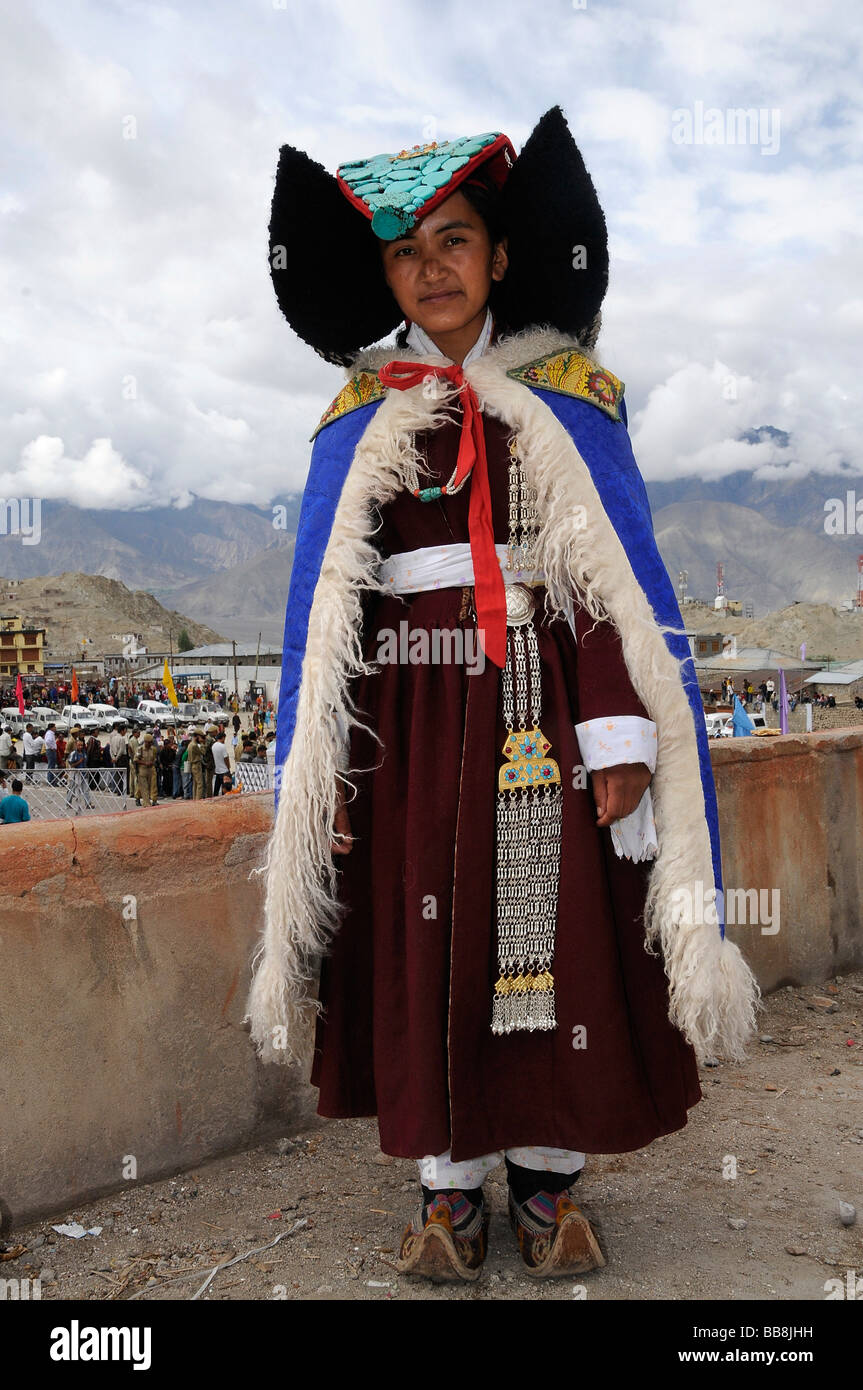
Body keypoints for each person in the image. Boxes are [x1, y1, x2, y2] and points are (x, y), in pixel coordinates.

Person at [246, 107, 758, 1282]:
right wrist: (330, 771)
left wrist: (616, 733)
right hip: (407, 725)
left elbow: (602, 578)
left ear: (500, 254)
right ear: (382, 275)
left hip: (541, 716)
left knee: (554, 937)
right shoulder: (356, 416)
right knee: (422, 937)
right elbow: (330, 612)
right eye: (405, 251)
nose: (431, 269)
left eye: (454, 240)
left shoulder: (568, 394)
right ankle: (445, 1193)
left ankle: (545, 1186)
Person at [135, 732, 159, 808]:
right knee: (143, 787)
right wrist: (145, 763)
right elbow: (136, 760)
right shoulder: (140, 749)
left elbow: (154, 758)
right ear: (145, 742)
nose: (150, 744)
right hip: (143, 769)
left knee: (153, 786)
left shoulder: (153, 749)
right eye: (149, 742)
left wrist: (152, 762)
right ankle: (146, 803)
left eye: (151, 742)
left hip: (151, 769)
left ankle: (154, 800)